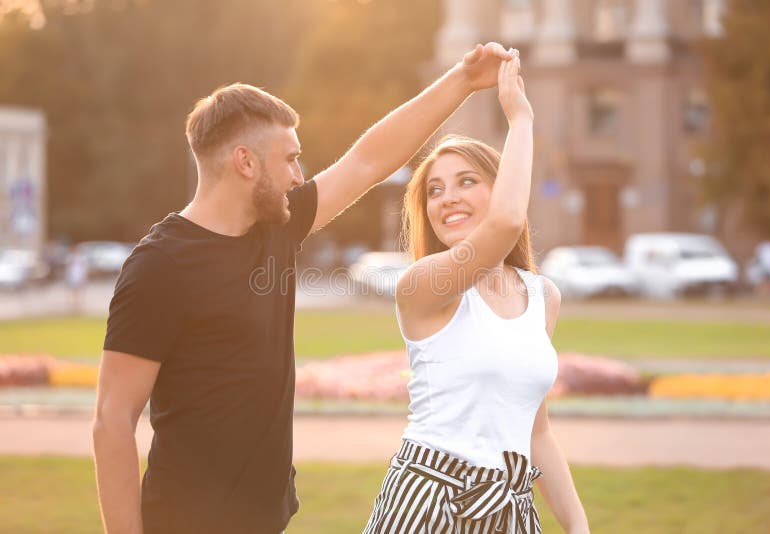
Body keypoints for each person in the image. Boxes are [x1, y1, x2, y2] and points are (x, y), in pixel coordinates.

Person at [92, 43, 516, 534]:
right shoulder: (159, 265)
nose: (299, 175)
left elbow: (367, 161)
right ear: (245, 162)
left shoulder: (276, 227)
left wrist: (463, 80)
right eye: (291, 159)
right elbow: (112, 418)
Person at [363, 56, 589, 533]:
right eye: (434, 190)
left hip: (510, 509)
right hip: (428, 503)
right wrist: (521, 118)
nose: (447, 198)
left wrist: (578, 526)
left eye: (467, 181)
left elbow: (537, 432)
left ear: (499, 187)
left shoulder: (542, 296)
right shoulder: (422, 284)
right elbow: (506, 222)